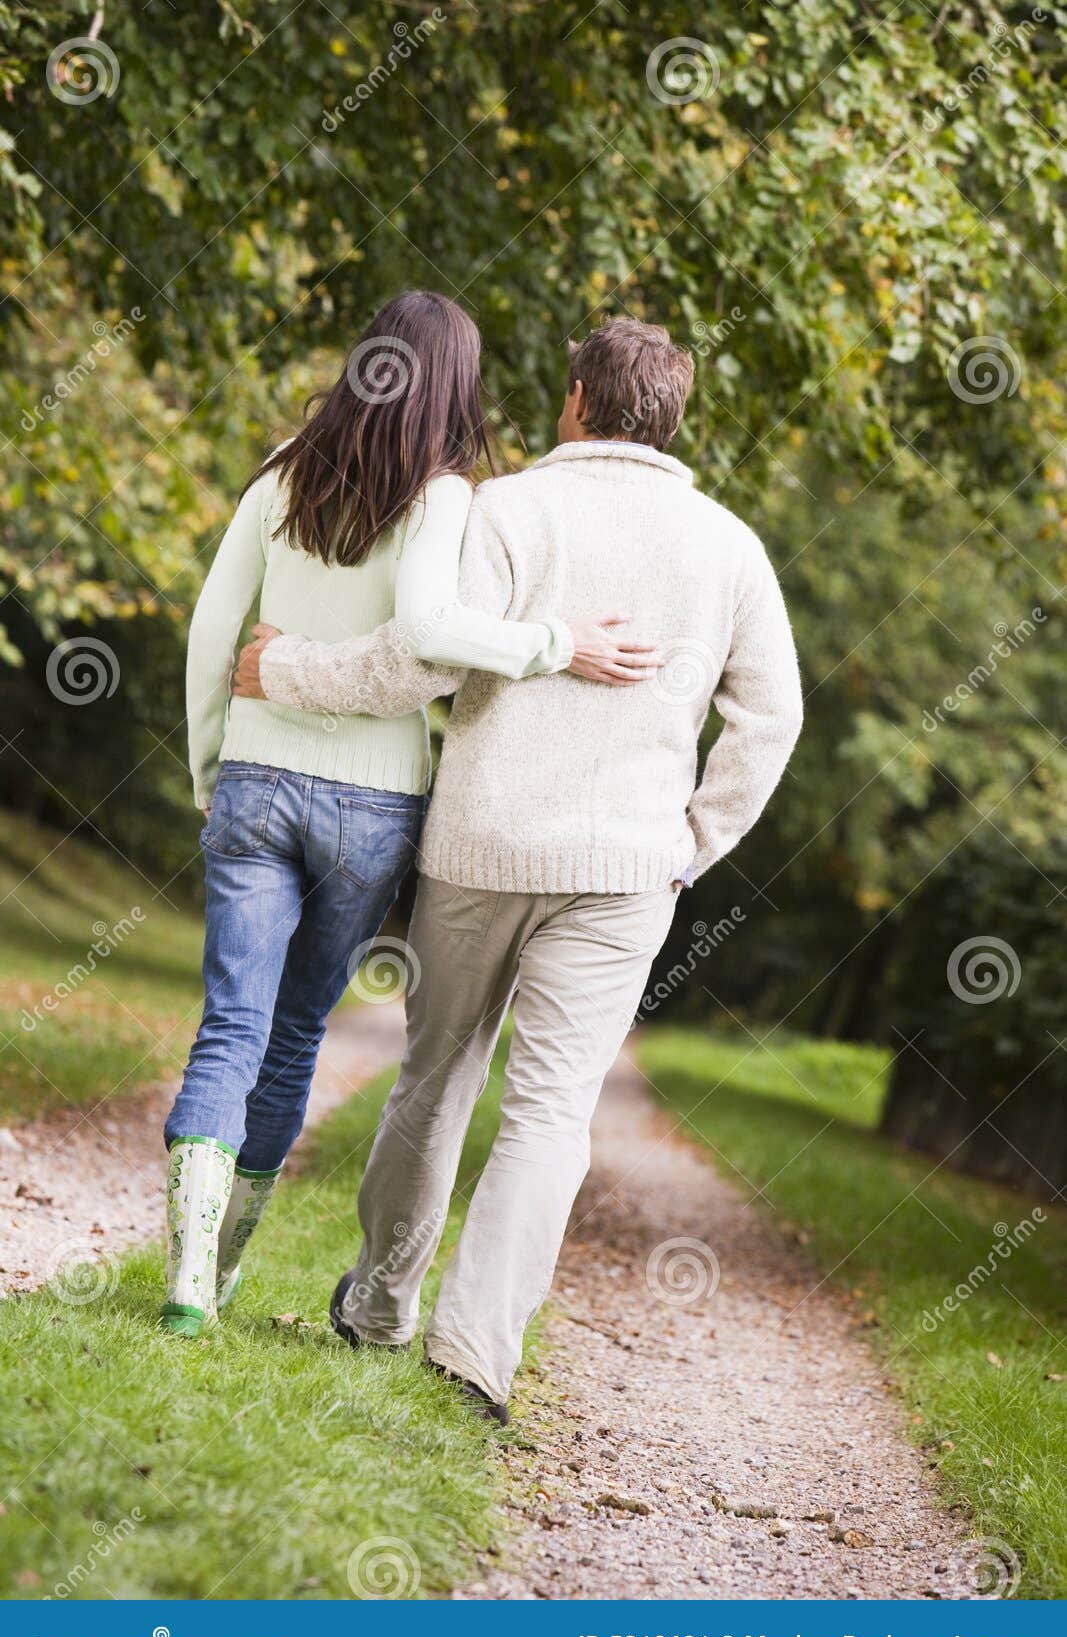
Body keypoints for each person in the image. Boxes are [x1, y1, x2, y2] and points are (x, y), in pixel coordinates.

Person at [234, 316, 803, 1422]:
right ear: (670, 418)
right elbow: (769, 719)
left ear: (576, 400)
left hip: (478, 846)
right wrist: (693, 842)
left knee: (435, 1075)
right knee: (551, 1111)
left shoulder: (503, 511)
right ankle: (474, 1352)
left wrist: (285, 669)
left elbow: (419, 658)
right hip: (625, 869)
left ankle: (379, 1304)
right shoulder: (729, 546)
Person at [161, 291, 657, 1338]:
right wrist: (554, 642)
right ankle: (230, 1261)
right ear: (457, 386)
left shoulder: (283, 470)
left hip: (254, 778)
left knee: (232, 1023)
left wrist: (211, 767)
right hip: (373, 802)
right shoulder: (441, 497)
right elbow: (431, 628)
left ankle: (189, 1283)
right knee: (296, 1030)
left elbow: (213, 630)